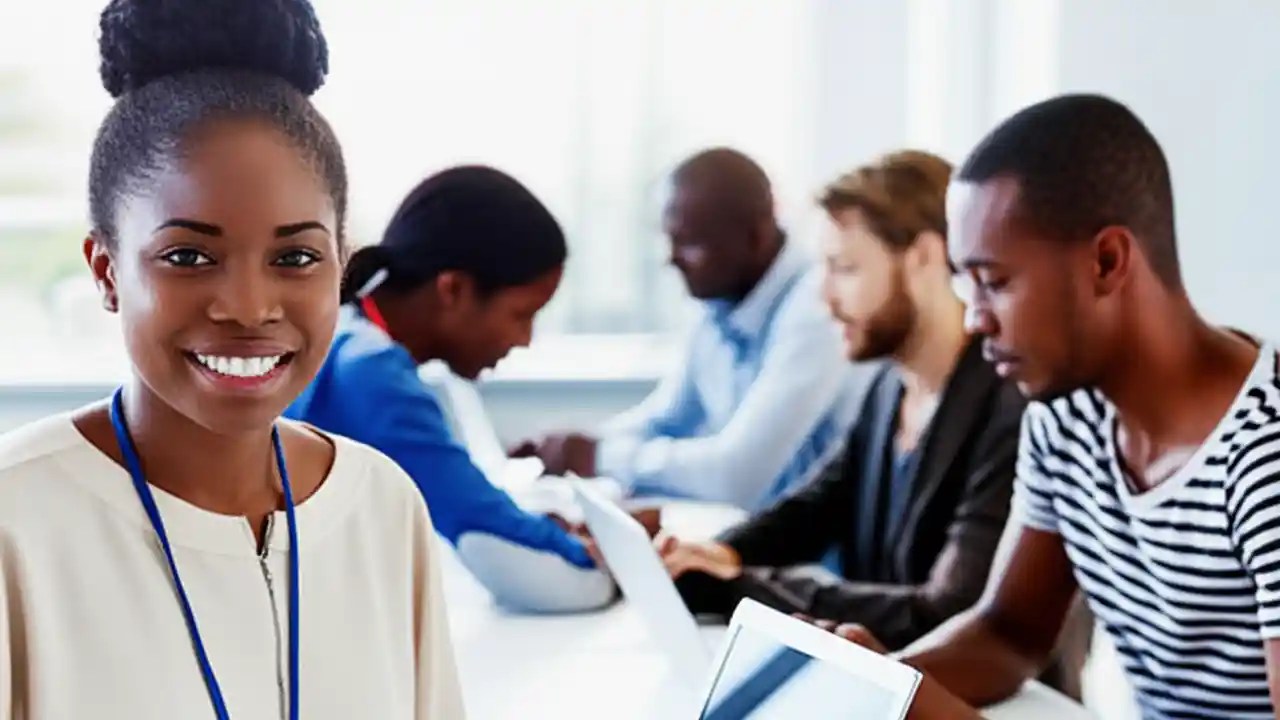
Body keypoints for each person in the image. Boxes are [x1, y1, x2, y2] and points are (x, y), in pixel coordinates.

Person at [0, 1, 463, 717]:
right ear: (106, 270)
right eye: (188, 255)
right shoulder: (16, 518)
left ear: (339, 264)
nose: (248, 307)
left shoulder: (381, 507)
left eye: (296, 256)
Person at [823, 94, 1280, 719]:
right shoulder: (1066, 419)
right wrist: (879, 684)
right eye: (966, 282)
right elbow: (1010, 633)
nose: (975, 319)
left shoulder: (1263, 454)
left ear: (1107, 261)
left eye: (996, 282)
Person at [655, 151, 1087, 697]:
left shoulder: (1011, 408)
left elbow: (947, 610)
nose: (824, 296)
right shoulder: (890, 388)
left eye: (846, 268)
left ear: (924, 258)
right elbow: (816, 506)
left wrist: (740, 589)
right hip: (889, 689)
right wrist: (722, 553)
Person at [286, 165, 613, 613]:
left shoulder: (346, 340)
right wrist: (611, 558)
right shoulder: (374, 375)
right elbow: (537, 567)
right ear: (453, 290)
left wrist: (538, 529)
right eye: (522, 314)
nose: (526, 340)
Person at [514, 148, 862, 512]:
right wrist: (569, 446)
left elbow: (736, 476)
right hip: (750, 539)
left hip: (813, 557)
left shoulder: (818, 307)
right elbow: (668, 418)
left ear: (756, 236)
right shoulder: (718, 298)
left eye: (689, 243)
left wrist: (600, 456)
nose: (671, 258)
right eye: (669, 238)